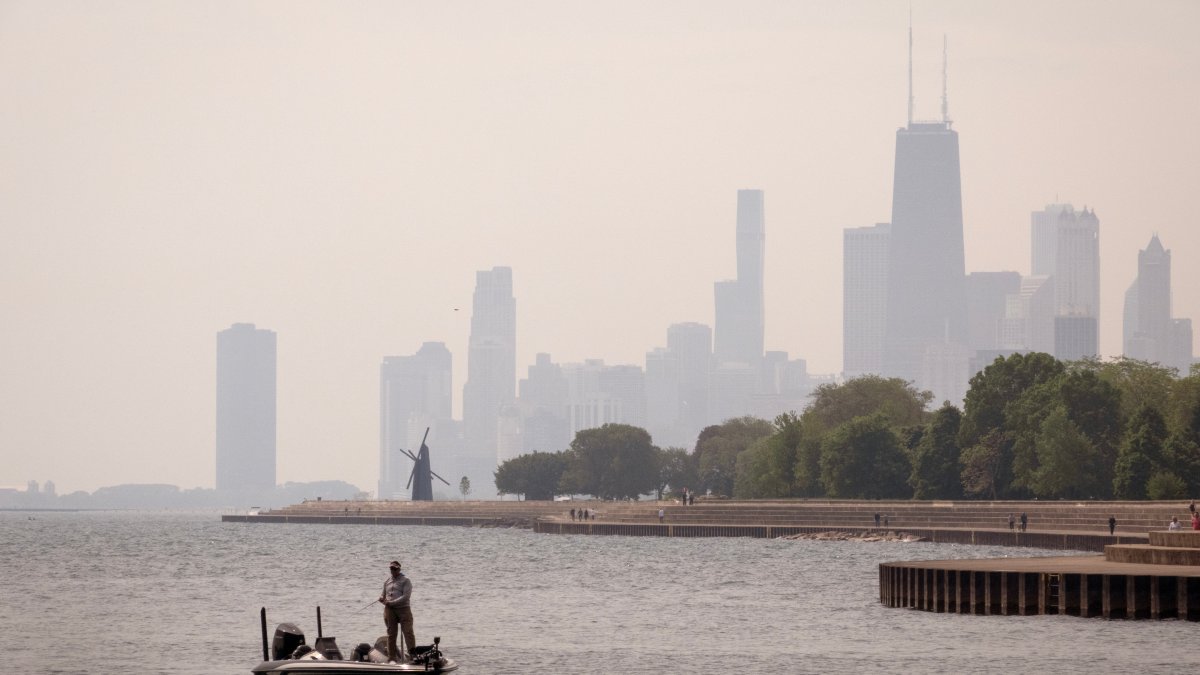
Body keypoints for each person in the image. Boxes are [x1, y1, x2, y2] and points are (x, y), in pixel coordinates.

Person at [379, 560, 415, 663]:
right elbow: (383, 594)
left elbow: (406, 597)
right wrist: (382, 598)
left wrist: (393, 602)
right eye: (391, 569)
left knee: (408, 632)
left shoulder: (406, 580)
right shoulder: (387, 581)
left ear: (399, 569)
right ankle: (392, 657)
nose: (392, 570)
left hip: (403, 609)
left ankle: (413, 655)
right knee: (391, 633)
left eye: (394, 569)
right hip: (390, 610)